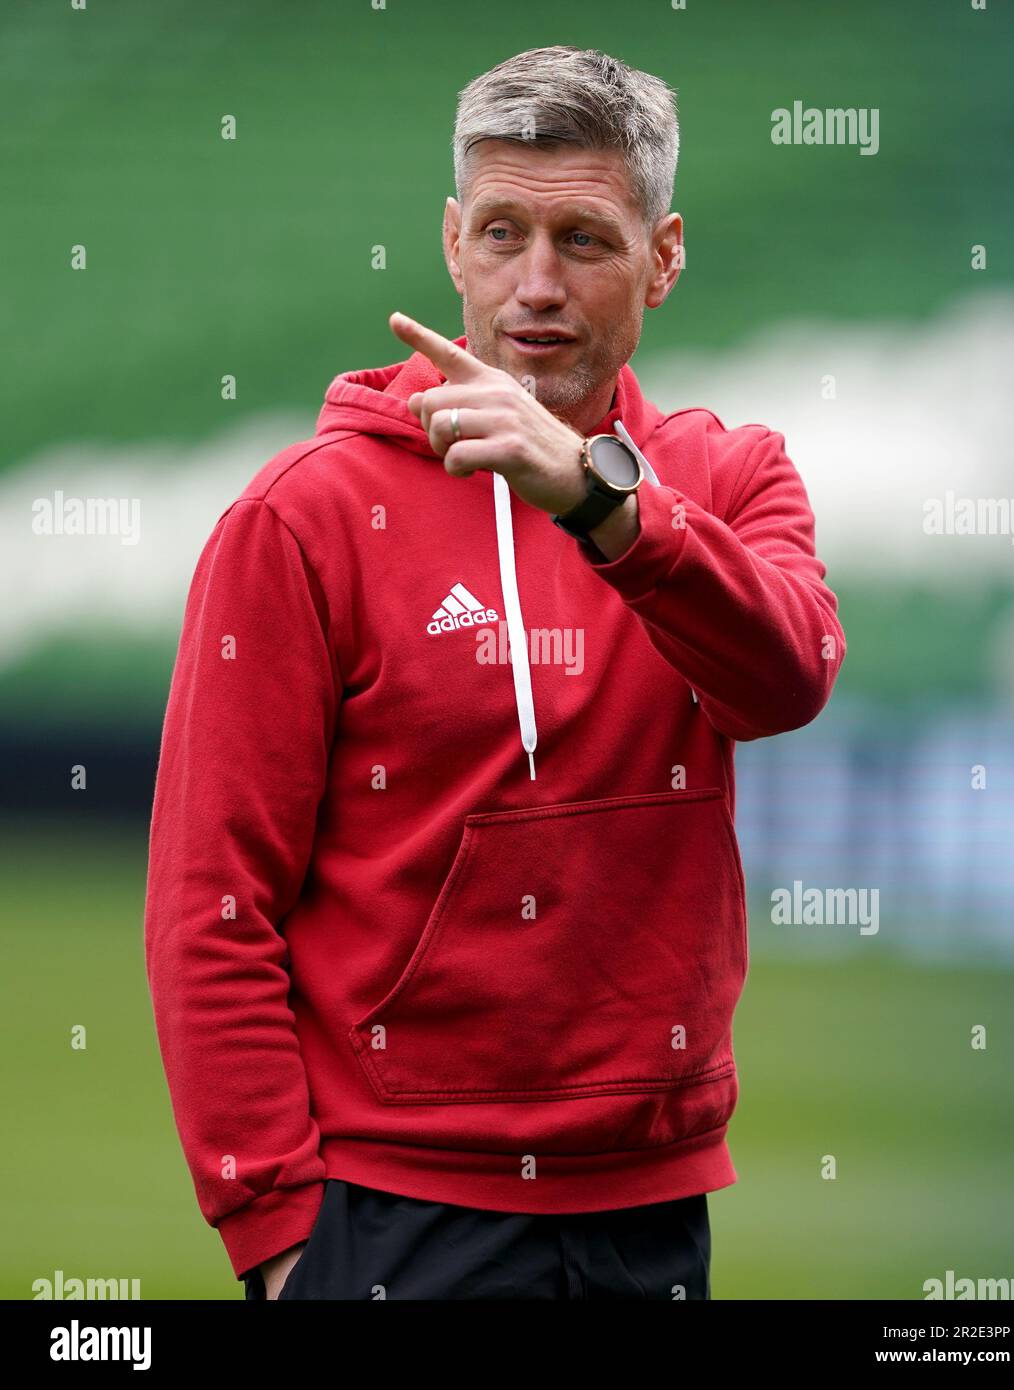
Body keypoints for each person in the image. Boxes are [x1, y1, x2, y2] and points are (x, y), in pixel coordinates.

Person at [144, 44, 845, 1301]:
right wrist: (276, 1234)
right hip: (390, 1214)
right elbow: (211, 904)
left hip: (648, 1203)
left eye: (583, 240)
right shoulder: (302, 517)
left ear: (663, 258)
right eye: (502, 233)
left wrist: (600, 502)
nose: (536, 285)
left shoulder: (726, 477)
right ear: (452, 244)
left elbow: (785, 679)